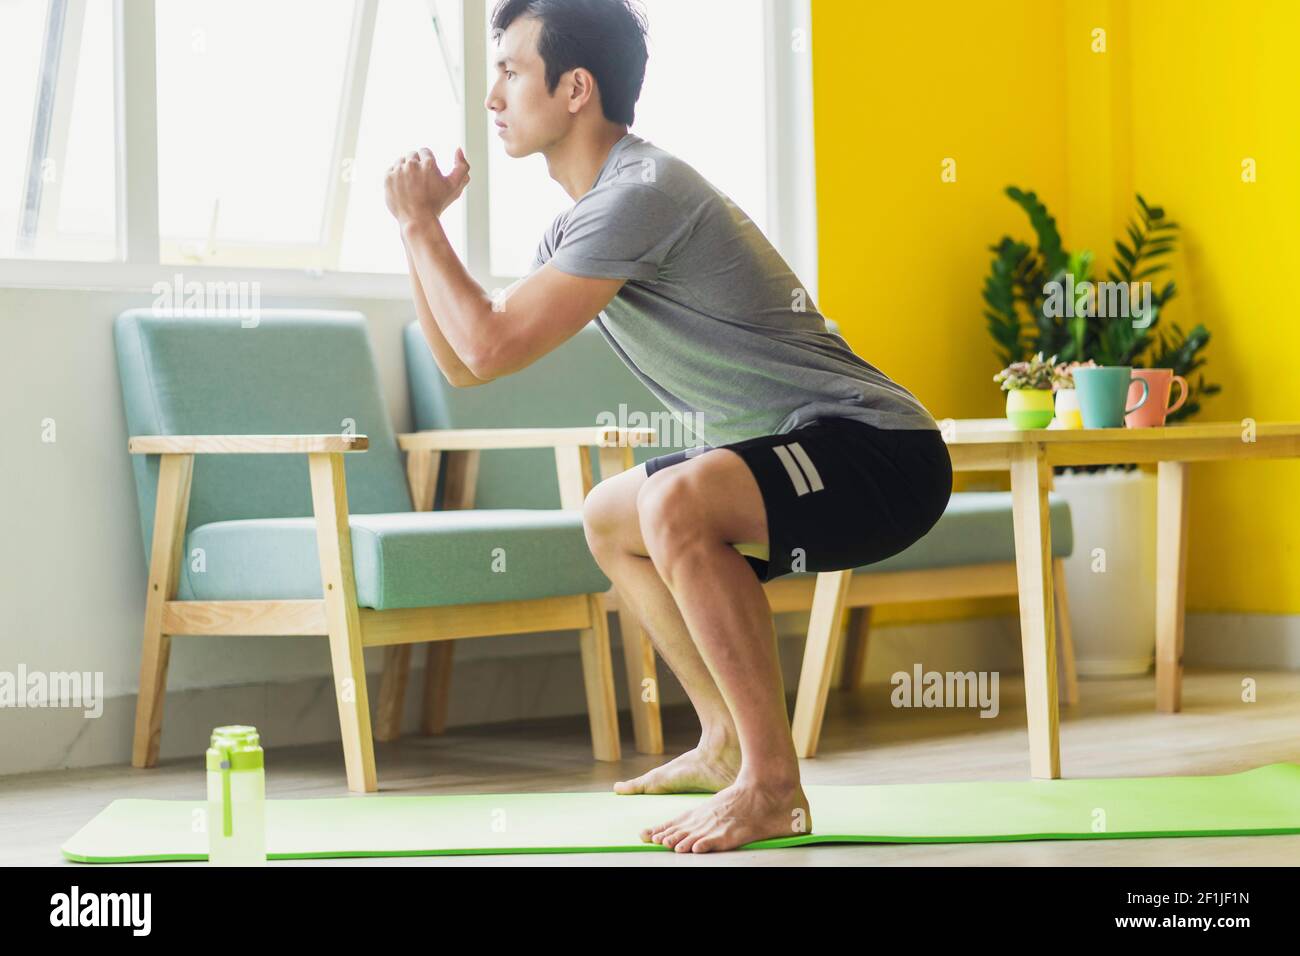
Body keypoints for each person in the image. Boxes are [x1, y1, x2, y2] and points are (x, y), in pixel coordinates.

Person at [385, 0, 953, 853]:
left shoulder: (639, 194)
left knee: (676, 503)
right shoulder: (584, 217)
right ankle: (726, 741)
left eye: (510, 70)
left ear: (575, 88)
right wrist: (410, 231)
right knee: (613, 515)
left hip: (880, 449)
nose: (493, 96)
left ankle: (772, 787)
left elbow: (488, 343)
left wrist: (425, 222)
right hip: (806, 449)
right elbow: (466, 366)